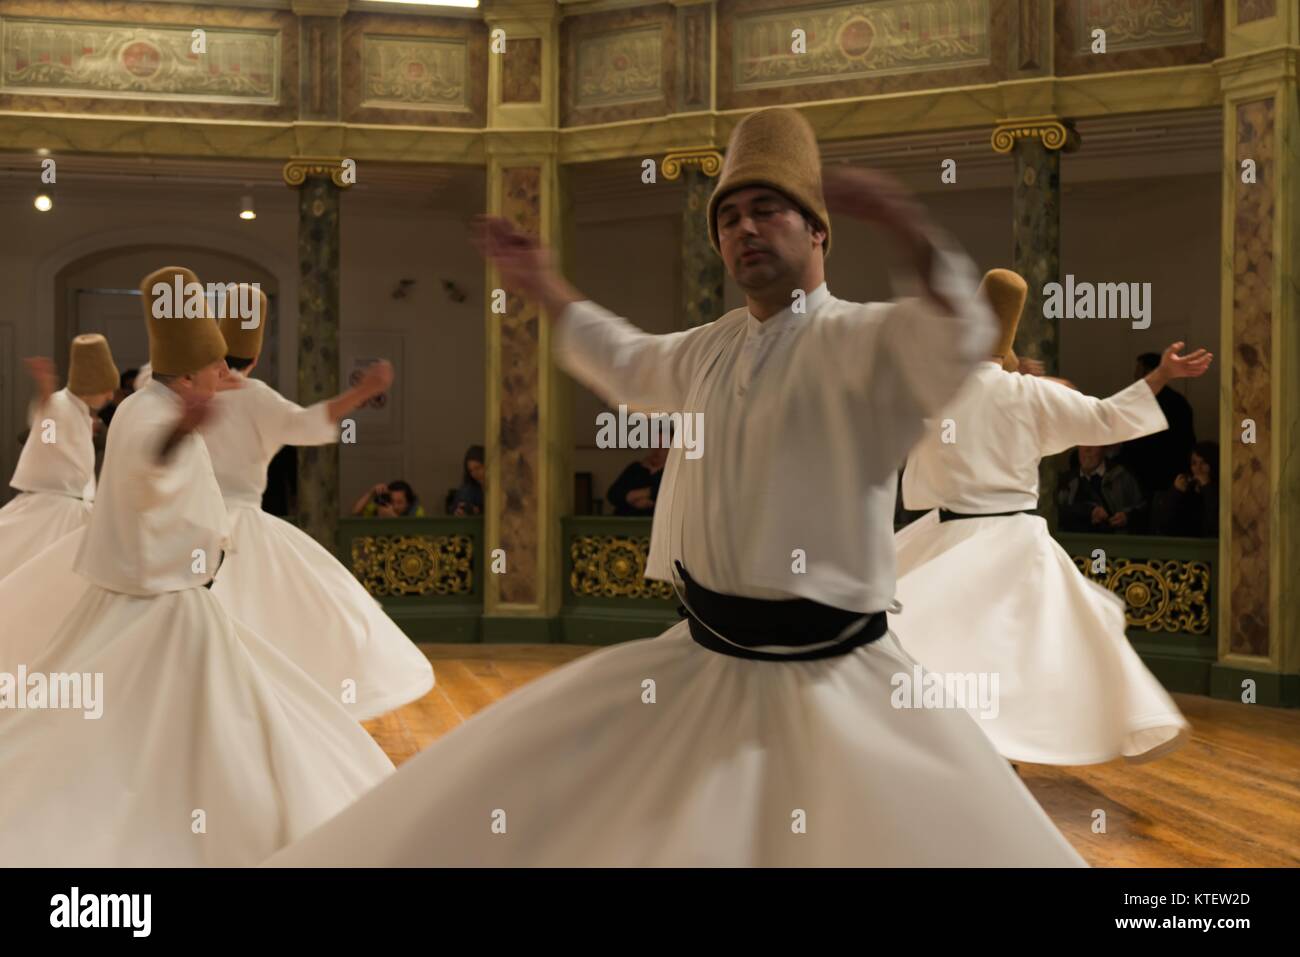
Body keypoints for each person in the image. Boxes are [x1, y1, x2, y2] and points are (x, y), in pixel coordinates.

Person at [266, 107, 1085, 867]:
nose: (744, 229)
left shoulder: (871, 338)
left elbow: (964, 332)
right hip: (705, 662)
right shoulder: (709, 349)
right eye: (728, 218)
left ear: (818, 230)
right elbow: (623, 360)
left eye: (767, 209)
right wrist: (545, 283)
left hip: (840, 675)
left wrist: (906, 223)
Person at [0, 266, 393, 866]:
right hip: (159, 593)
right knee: (179, 707)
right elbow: (148, 466)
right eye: (216, 369)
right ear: (186, 376)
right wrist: (181, 432)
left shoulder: (160, 400)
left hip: (172, 585)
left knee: (225, 698)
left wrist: (191, 418)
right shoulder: (147, 413)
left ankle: (202, 800)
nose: (227, 377)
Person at [892, 266, 1213, 766]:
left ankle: (958, 746)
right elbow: (1106, 418)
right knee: (1030, 647)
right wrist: (1161, 376)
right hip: (1013, 540)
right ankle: (1006, 745)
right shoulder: (1025, 394)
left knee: (936, 641)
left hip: (948, 535)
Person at [203, 283, 434, 721]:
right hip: (243, 529)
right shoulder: (256, 398)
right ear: (253, 358)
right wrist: (363, 392)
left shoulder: (186, 390)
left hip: (189, 523)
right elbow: (307, 425)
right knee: (280, 621)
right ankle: (259, 710)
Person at [0, 335, 118, 581]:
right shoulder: (58, 405)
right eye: (106, 389)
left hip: (70, 506)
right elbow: (48, 432)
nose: (109, 397)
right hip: (53, 506)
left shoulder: (79, 411)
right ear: (92, 386)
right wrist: (45, 389)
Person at [1119, 351, 1196, 496]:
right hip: (1159, 474)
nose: (1135, 377)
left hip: (1156, 474)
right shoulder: (1177, 401)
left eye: (1138, 373)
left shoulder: (1171, 403)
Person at [1058, 444, 1148, 533]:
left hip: (1115, 543)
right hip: (1075, 543)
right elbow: (1056, 513)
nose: (1087, 450)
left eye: (1093, 444)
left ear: (1104, 448)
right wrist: (1088, 512)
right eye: (1083, 443)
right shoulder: (1067, 480)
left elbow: (1143, 511)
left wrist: (1127, 517)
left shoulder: (1122, 476)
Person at [1151, 441, 1219, 537]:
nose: (1198, 468)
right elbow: (1163, 522)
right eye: (1194, 463)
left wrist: (1207, 487)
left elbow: (1215, 524)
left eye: (1203, 463)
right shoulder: (1186, 490)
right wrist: (1176, 492)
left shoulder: (1219, 490)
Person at [606, 446, 667, 516]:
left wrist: (648, 493)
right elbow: (612, 494)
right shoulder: (636, 467)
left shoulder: (673, 473)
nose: (656, 450)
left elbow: (667, 495)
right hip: (623, 520)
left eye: (663, 447)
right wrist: (631, 497)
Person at [353, 479, 424, 517]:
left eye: (400, 502)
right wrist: (371, 493)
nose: (395, 506)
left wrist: (392, 519)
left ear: (408, 503)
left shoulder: (416, 511)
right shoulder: (383, 505)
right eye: (392, 501)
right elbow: (355, 512)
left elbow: (414, 538)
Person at [448, 445, 485, 516]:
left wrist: (479, 510)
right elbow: (459, 506)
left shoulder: (498, 488)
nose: (474, 474)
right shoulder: (468, 489)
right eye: (471, 471)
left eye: (478, 468)